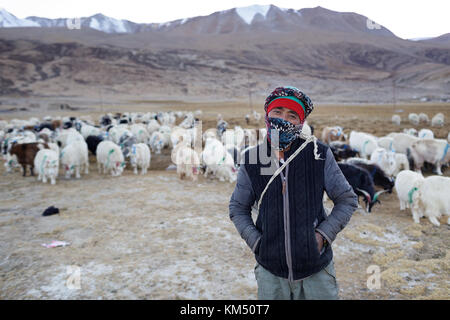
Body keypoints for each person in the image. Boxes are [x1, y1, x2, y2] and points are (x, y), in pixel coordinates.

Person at [229, 86, 358, 300]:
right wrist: (258, 243)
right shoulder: (252, 159)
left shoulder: (319, 154)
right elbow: (238, 208)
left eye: (292, 115)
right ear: (267, 116)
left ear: (301, 123)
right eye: (277, 112)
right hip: (271, 274)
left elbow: (347, 199)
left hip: (316, 271)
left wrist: (322, 236)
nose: (283, 119)